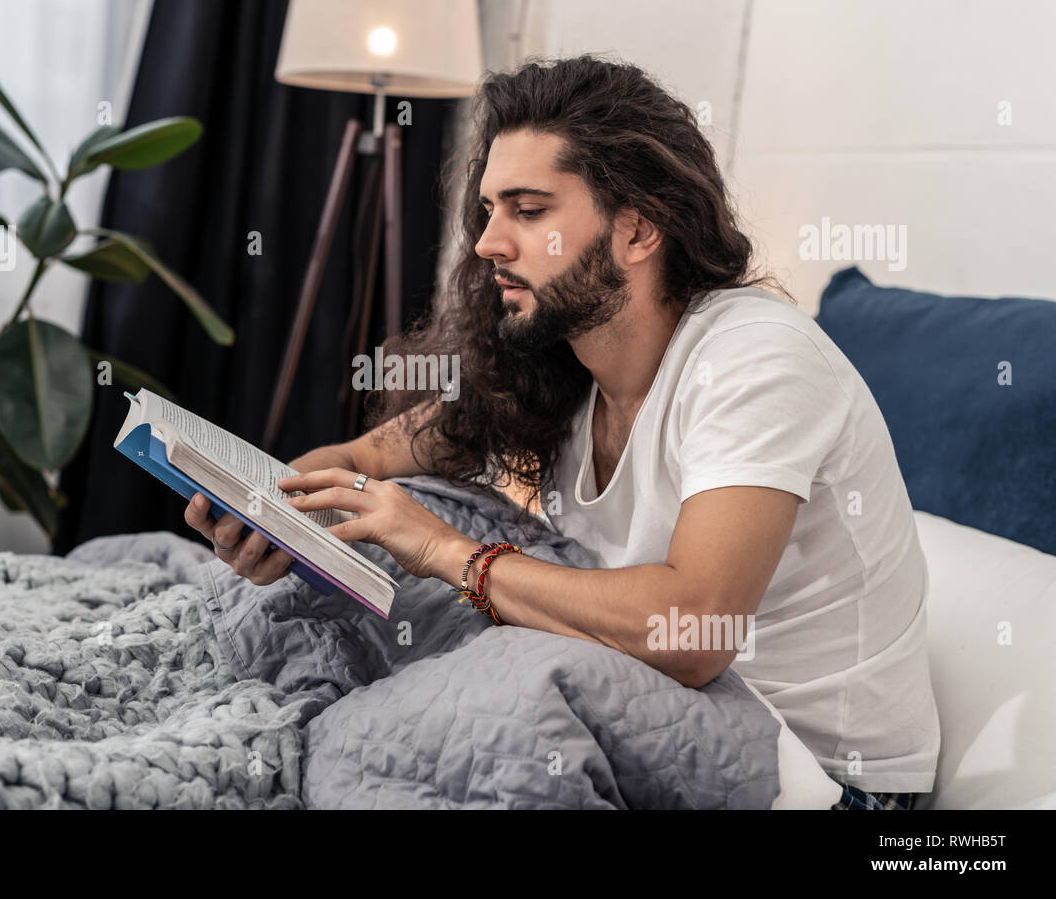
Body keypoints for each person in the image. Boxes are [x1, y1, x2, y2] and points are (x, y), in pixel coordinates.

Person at [183, 55, 939, 808]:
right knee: (395, 512)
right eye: (488, 210)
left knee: (451, 579)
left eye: (529, 210)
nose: (487, 243)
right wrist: (276, 510)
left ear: (638, 229)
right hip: (665, 708)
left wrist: (451, 554)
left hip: (815, 776)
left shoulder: (756, 359)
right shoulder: (555, 359)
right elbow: (358, 459)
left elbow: (695, 632)